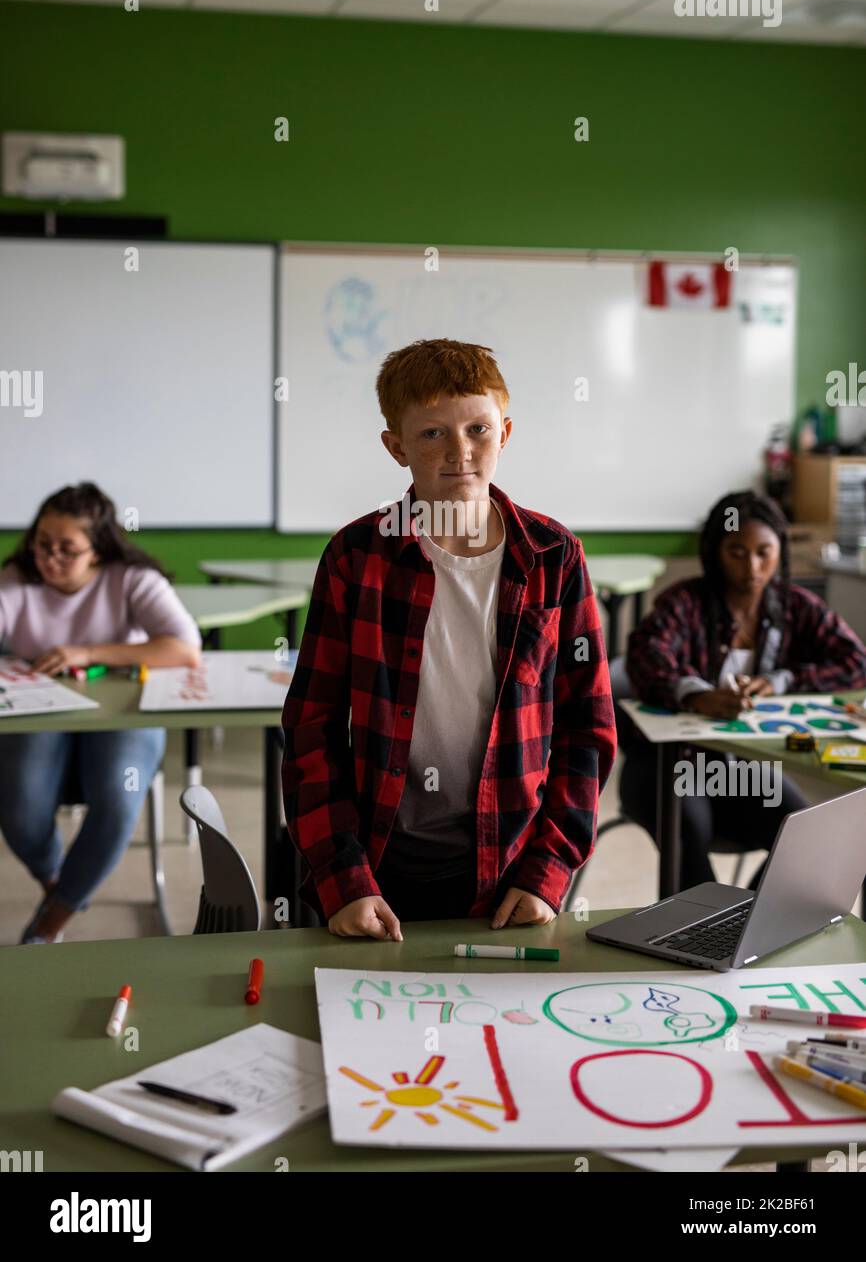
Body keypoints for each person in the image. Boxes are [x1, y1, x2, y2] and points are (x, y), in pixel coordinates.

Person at [282, 338, 616, 938]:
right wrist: (341, 879)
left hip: (511, 865)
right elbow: (312, 728)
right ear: (396, 446)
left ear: (505, 432)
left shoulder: (554, 556)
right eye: (433, 433)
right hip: (381, 860)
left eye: (478, 429)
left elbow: (585, 731)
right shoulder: (357, 556)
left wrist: (548, 869)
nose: (460, 451)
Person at [621, 490, 866, 890]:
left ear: (780, 552)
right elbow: (645, 658)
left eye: (763, 552)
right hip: (668, 766)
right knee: (687, 831)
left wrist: (781, 680)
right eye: (737, 552)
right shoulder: (683, 603)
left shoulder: (794, 607)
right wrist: (696, 694)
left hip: (744, 768)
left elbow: (856, 662)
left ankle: (744, 928)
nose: (752, 566)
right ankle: (693, 936)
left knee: (803, 834)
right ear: (714, 550)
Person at [0, 482, 201, 943]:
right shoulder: (18, 578)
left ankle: (50, 924)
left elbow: (185, 649)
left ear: (97, 550)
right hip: (42, 712)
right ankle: (61, 885)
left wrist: (88, 651)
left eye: (66, 550)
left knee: (117, 794)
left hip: (123, 714)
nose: (49, 559)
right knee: (19, 807)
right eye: (42, 544)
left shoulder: (130, 578)